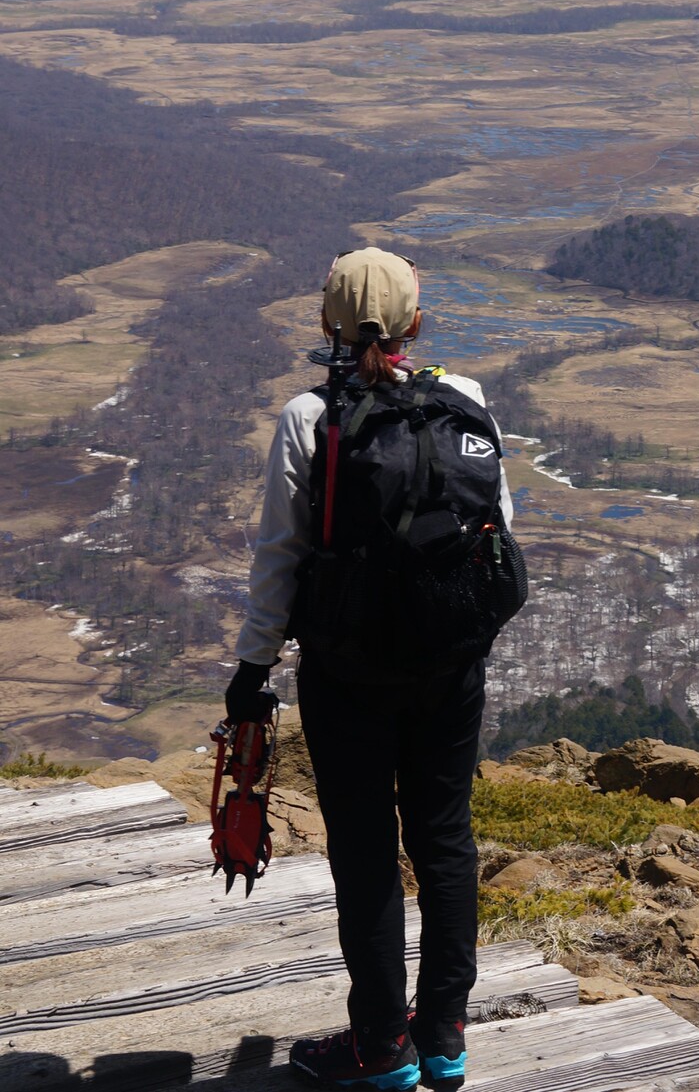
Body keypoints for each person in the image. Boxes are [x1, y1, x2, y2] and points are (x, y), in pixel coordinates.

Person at [225, 247, 513, 1092]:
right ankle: (447, 1037)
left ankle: (382, 1045)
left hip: (348, 671)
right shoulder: (468, 402)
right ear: (417, 322)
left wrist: (253, 669)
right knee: (445, 839)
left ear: (327, 325)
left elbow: (281, 555)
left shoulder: (309, 416)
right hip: (450, 666)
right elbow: (494, 523)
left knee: (366, 851)